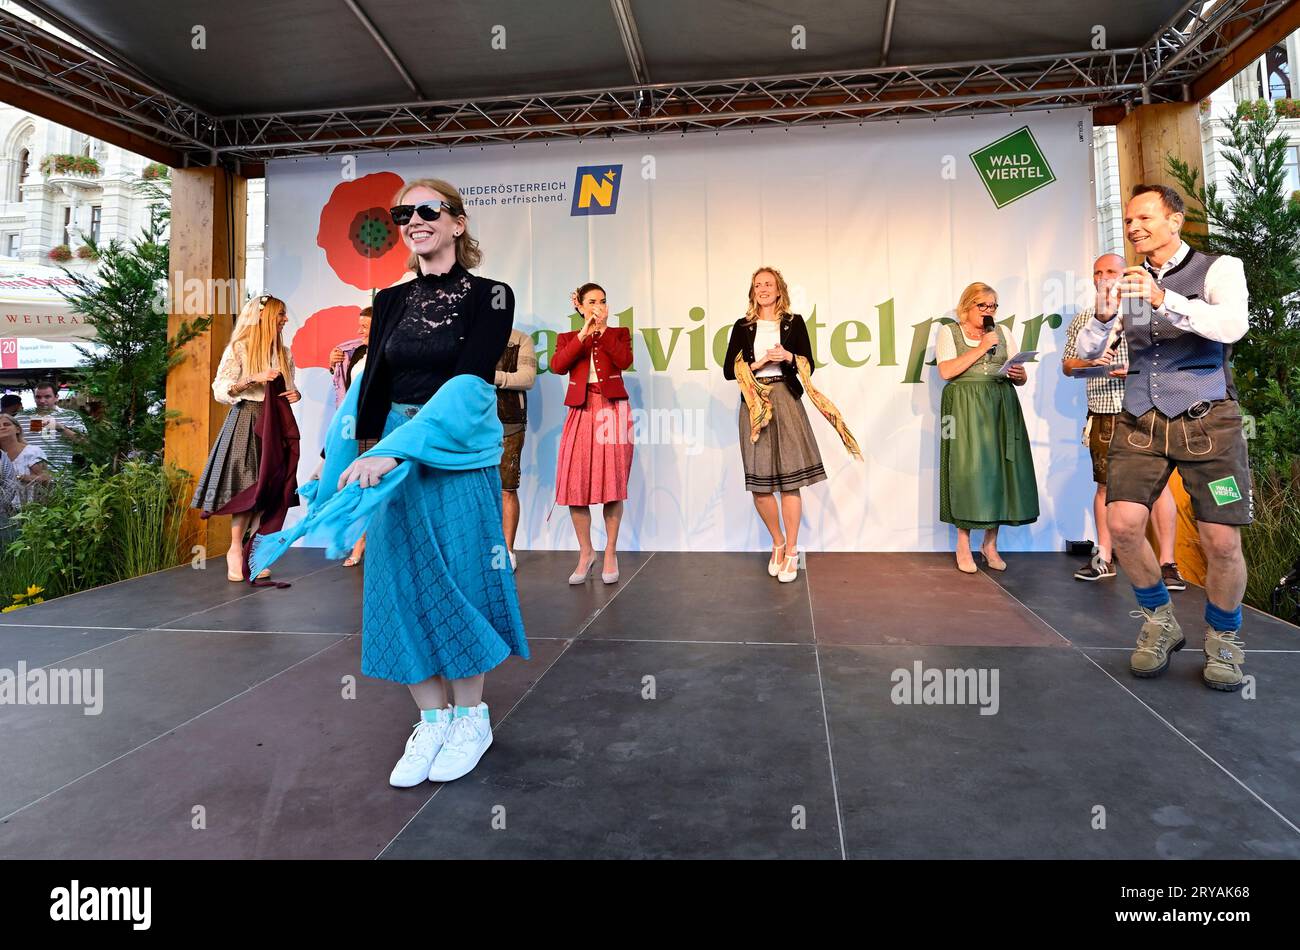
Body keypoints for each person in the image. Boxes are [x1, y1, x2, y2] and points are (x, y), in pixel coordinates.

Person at [332, 176, 528, 786]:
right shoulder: (389, 300)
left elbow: (470, 382)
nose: (413, 220)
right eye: (402, 213)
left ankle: (471, 716)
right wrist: (346, 459)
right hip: (392, 456)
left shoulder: (493, 296)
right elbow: (375, 387)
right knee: (396, 585)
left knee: (465, 580)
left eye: (427, 210)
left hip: (455, 454)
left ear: (457, 222)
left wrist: (396, 452)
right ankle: (433, 720)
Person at [1074, 184, 1251, 691]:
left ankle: (1223, 637)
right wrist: (1104, 315)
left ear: (1175, 221)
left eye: (1144, 218)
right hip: (1139, 417)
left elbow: (1231, 326)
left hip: (1206, 418)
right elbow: (1090, 347)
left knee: (1221, 539)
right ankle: (1160, 621)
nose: (1133, 227)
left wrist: (1163, 298)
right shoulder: (1126, 281)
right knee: (1123, 523)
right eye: (1128, 221)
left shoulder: (1219, 268)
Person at [723, 266, 861, 583]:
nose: (763, 289)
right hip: (755, 403)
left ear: (779, 289)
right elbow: (730, 372)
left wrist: (787, 356)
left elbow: (807, 362)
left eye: (768, 284)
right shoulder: (742, 326)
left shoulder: (793, 323)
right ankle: (778, 541)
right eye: (757, 284)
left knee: (790, 482)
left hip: (785, 398)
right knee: (759, 486)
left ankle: (792, 550)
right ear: (752, 291)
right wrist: (757, 363)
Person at [1063, 254, 1183, 588]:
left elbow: (1169, 361)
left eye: (1111, 271)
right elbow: (1068, 365)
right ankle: (1104, 556)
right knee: (1105, 485)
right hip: (1102, 409)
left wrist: (1130, 371)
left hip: (1146, 408)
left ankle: (1169, 563)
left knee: (1158, 487)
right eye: (1097, 272)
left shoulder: (1146, 311)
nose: (1103, 277)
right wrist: (1091, 363)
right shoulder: (1085, 318)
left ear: (1126, 275)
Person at [191, 294, 302, 583]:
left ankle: (251, 549)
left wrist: (295, 393)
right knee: (248, 487)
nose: (285, 320)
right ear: (265, 317)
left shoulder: (284, 352)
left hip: (276, 421)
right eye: (280, 315)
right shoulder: (239, 348)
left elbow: (289, 387)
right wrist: (253, 378)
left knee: (271, 487)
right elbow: (220, 390)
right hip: (247, 419)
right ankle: (235, 549)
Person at [936, 282, 1038, 573]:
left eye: (993, 306)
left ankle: (990, 544)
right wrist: (981, 348)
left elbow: (1021, 378)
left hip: (1000, 403)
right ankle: (963, 544)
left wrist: (1019, 375)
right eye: (983, 306)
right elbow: (946, 372)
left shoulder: (1002, 333)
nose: (989, 311)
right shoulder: (949, 332)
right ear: (966, 307)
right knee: (965, 470)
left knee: (1000, 471)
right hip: (961, 407)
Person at [551, 283, 634, 585]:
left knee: (612, 483)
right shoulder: (568, 338)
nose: (598, 306)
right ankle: (586, 553)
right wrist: (584, 334)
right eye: (591, 302)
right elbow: (558, 366)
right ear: (580, 307)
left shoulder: (618, 334)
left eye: (602, 301)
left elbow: (624, 361)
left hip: (612, 408)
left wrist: (603, 330)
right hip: (581, 408)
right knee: (576, 484)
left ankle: (610, 551)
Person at [495, 326, 536, 572]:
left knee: (507, 488)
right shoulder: (468, 335)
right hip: (471, 421)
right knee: (471, 489)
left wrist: (495, 377)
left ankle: (508, 551)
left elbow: (527, 378)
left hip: (509, 419)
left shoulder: (520, 339)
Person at [15, 381, 86, 471]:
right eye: (38, 397)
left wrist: (60, 427)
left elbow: (84, 442)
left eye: (47, 397)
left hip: (61, 473)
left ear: (56, 398)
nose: (42, 400)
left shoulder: (71, 416)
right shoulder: (21, 417)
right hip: (30, 474)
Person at [0, 412, 50, 506]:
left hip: (29, 509)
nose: (2, 427)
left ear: (17, 429)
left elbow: (45, 479)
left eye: (6, 424)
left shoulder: (31, 452)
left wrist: (19, 477)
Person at [329, 306, 372, 407]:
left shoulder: (392, 356)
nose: (359, 331)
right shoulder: (358, 351)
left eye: (364, 327)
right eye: (359, 326)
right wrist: (333, 365)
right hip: (354, 414)